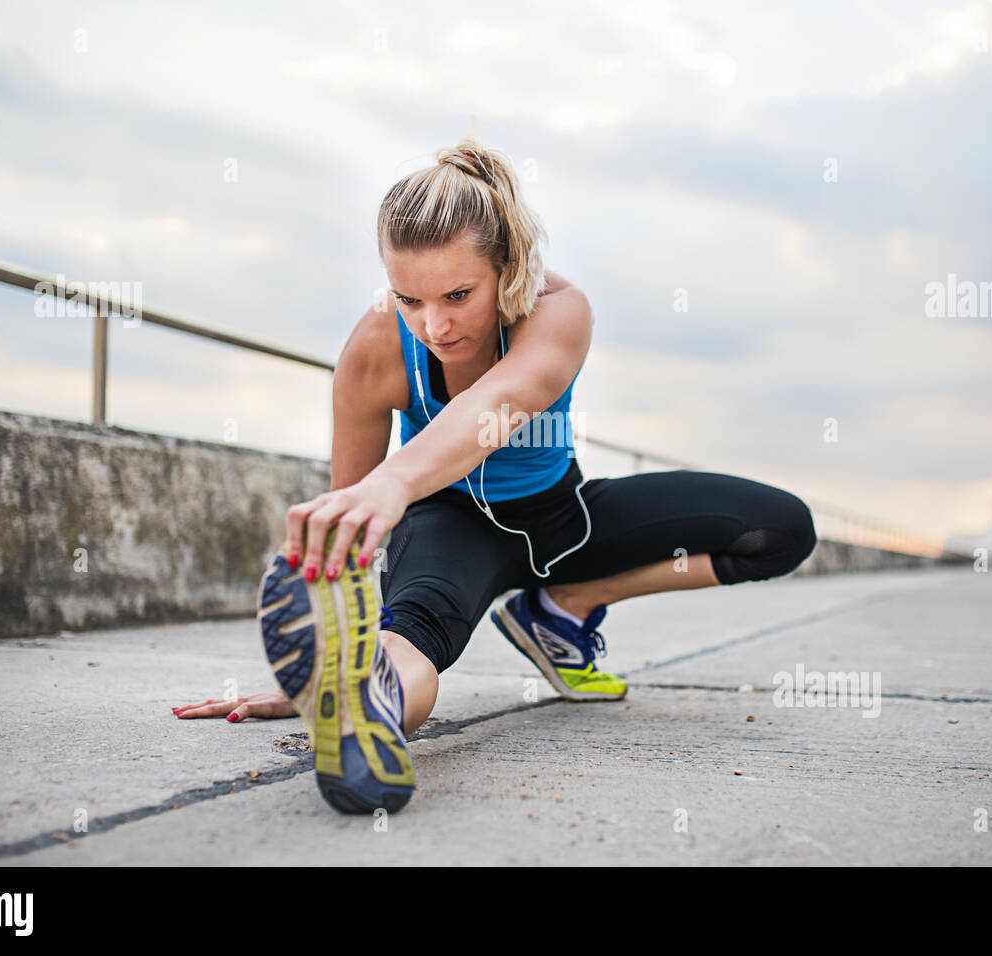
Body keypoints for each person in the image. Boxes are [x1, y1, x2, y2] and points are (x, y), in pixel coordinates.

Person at [173, 138, 818, 814]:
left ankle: (564, 606)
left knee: (780, 530)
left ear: (506, 267)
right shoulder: (374, 349)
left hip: (564, 521)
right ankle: (365, 708)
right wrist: (331, 663)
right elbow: (350, 527)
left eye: (458, 294)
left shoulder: (558, 308)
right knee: (405, 642)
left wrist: (394, 481)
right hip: (449, 528)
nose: (435, 325)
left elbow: (490, 410)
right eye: (409, 299)